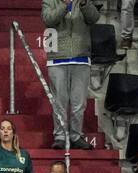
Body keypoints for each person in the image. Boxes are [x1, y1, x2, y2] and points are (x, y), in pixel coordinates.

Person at [41, 0, 99, 150]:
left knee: (79, 102)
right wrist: (65, 5)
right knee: (59, 101)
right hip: (57, 57)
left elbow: (94, 18)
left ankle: (76, 135)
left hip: (81, 57)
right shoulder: (50, 1)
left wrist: (85, 4)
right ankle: (60, 136)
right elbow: (48, 19)